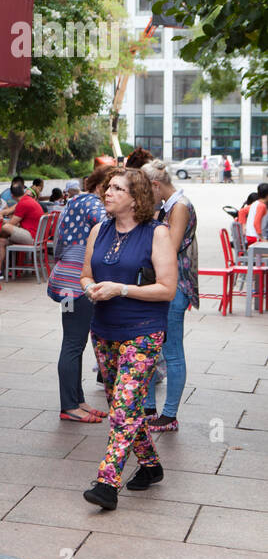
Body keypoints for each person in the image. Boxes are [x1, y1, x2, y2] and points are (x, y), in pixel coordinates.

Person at [80, 168, 178, 510]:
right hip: (104, 329)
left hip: (144, 330)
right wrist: (89, 287)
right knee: (125, 405)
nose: (108, 192)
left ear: (135, 199)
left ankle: (107, 483)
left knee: (122, 408)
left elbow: (167, 288)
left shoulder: (157, 233)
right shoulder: (98, 230)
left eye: (117, 188)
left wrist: (122, 289)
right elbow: (86, 273)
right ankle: (150, 466)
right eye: (108, 187)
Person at [49, 165, 110, 423]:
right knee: (73, 343)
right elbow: (108, 225)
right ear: (100, 187)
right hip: (77, 284)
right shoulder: (94, 204)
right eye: (112, 188)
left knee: (73, 342)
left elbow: (58, 242)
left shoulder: (73, 202)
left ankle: (77, 400)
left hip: (65, 280)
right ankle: (69, 406)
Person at [140, 160, 198, 433]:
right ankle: (150, 408)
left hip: (176, 286)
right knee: (153, 348)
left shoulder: (180, 206)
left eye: (146, 190)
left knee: (172, 351)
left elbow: (170, 247)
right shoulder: (168, 207)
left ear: (156, 185)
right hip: (165, 285)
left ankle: (169, 414)